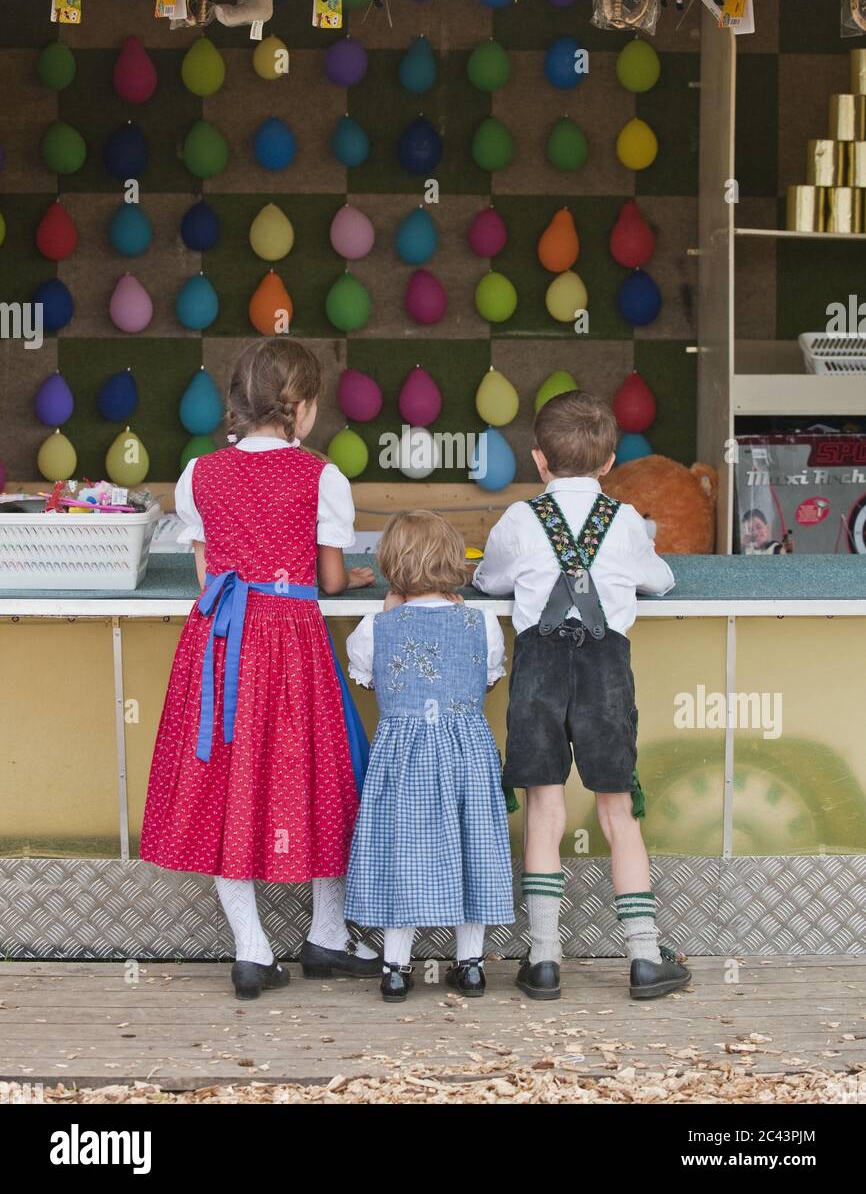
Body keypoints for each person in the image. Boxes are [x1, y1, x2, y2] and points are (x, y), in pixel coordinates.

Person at [139, 338, 380, 999]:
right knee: (326, 778)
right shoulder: (322, 477)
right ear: (300, 408)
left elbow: (207, 574)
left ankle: (252, 949)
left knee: (224, 786)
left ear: (239, 404)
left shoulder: (198, 473)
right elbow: (328, 579)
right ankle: (328, 934)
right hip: (293, 644)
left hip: (219, 645)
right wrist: (349, 580)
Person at [472, 391, 691, 1002]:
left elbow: (488, 579)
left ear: (539, 461)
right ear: (609, 462)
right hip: (606, 675)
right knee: (618, 813)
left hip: (538, 672)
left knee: (544, 811)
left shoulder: (518, 519)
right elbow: (662, 579)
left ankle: (543, 960)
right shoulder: (624, 521)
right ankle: (645, 958)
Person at [344, 511, 515, 1003]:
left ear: (390, 564)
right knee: (472, 844)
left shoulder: (376, 627)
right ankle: (472, 965)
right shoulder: (481, 622)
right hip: (467, 751)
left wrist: (391, 610)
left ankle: (395, 967)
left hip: (403, 755)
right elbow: (487, 677)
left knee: (405, 849)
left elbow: (369, 677)